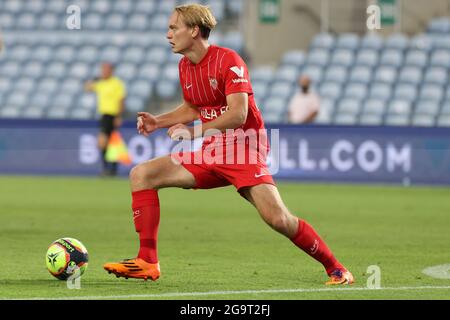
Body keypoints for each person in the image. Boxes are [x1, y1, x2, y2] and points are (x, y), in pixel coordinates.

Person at [103, 4, 353, 285]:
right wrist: (157, 121)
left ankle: (337, 268)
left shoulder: (229, 61)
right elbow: (192, 107)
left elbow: (238, 114)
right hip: (212, 149)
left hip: (244, 148)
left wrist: (193, 132)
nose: (168, 34)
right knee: (142, 174)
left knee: (278, 219)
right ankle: (147, 261)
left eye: (174, 28)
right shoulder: (185, 66)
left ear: (194, 30)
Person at [84, 63, 126, 177]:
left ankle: (109, 168)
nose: (103, 71)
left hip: (112, 115)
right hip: (103, 116)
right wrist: (94, 79)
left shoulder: (116, 83)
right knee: (107, 143)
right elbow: (87, 88)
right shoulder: (101, 83)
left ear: (111, 70)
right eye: (102, 69)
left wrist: (119, 116)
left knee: (107, 142)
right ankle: (110, 169)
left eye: (105, 69)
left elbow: (121, 100)